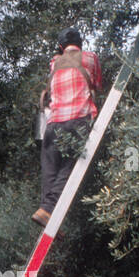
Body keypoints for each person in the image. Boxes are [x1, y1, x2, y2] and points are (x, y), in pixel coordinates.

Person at [33, 28, 103, 226]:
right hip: (78, 119)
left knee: (50, 168)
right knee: (69, 167)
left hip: (54, 123)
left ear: (61, 47)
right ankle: (48, 209)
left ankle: (46, 212)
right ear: (80, 44)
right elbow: (97, 84)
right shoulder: (90, 58)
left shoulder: (54, 62)